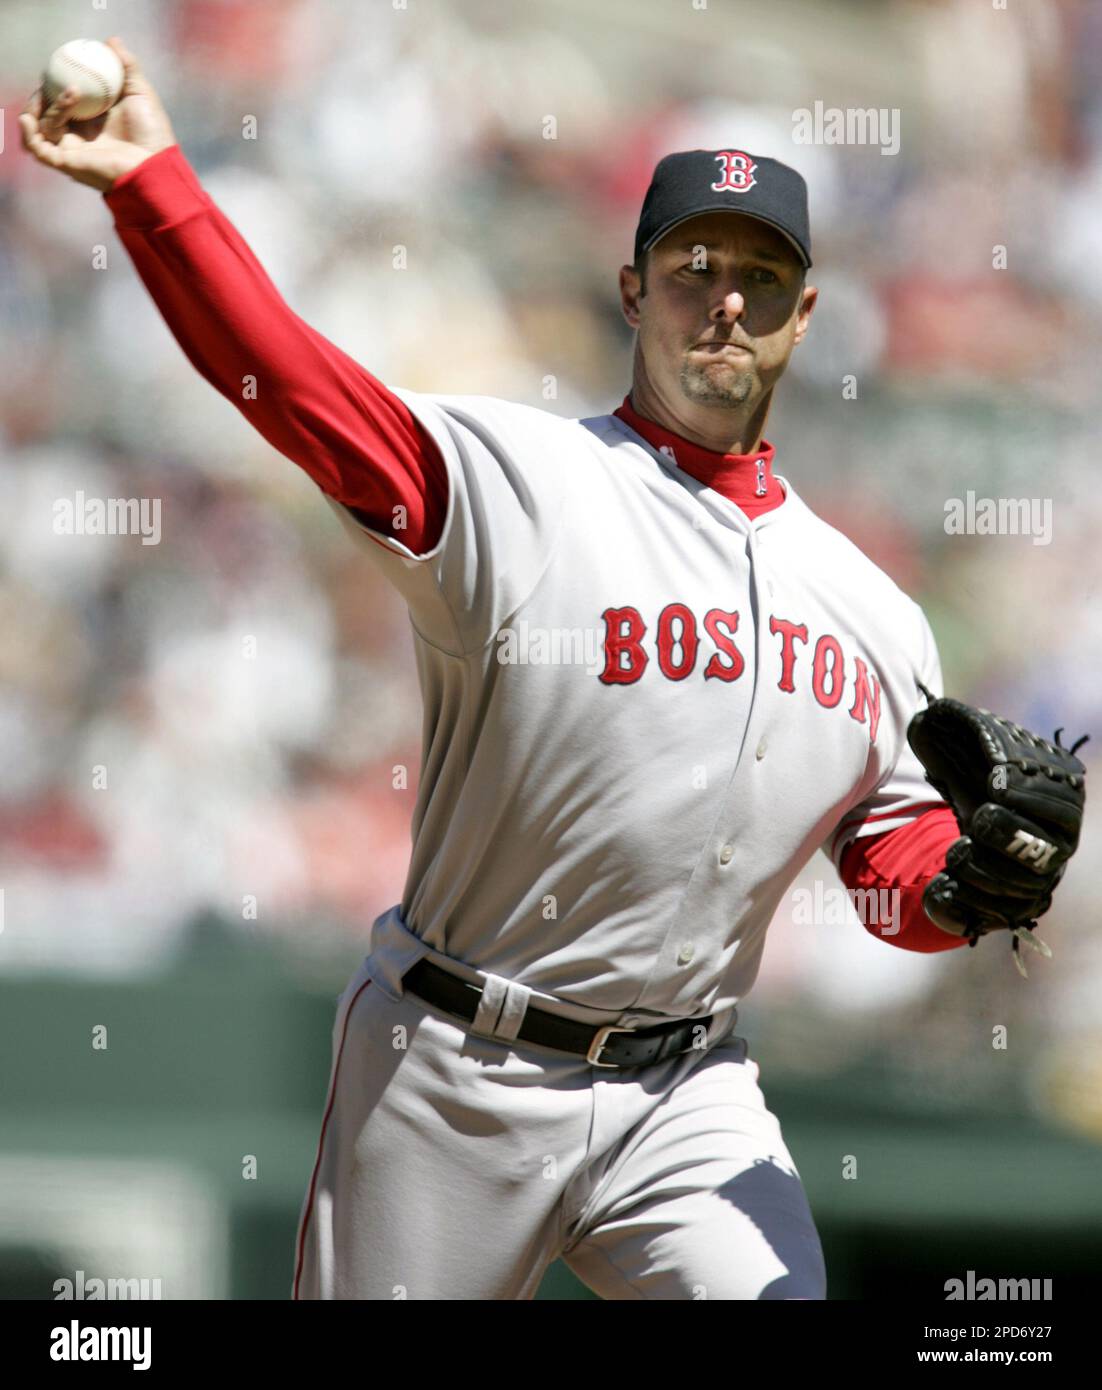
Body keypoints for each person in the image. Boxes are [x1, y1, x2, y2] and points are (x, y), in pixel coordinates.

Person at [22, 39, 972, 1301]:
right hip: (454, 1065)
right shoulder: (520, 481)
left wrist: (980, 876)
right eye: (694, 267)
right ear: (633, 292)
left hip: (689, 1094)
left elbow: (893, 889)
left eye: (760, 273)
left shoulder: (874, 612)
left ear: (807, 313)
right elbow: (292, 385)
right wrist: (155, 193)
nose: (725, 299)